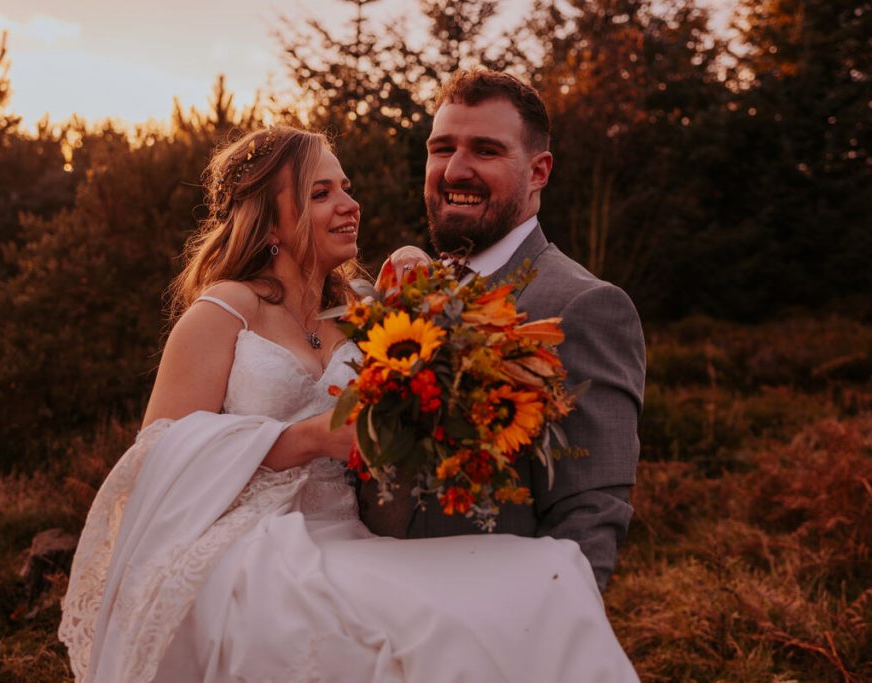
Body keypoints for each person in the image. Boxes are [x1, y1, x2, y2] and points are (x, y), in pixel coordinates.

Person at [58, 125, 640, 682]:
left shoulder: (356, 318)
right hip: (251, 549)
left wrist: (415, 268)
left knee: (525, 585)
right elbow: (158, 457)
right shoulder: (225, 309)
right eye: (321, 193)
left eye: (346, 187)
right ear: (269, 224)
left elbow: (413, 352)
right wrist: (308, 437)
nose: (348, 203)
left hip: (350, 537)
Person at [361, 69, 646, 594]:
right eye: (441, 148)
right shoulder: (406, 296)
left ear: (539, 172)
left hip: (485, 626)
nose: (456, 170)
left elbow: (590, 520)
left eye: (486, 151)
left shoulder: (583, 306)